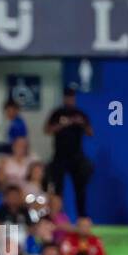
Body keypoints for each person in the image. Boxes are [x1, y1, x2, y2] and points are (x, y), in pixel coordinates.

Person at [44, 85, 94, 217]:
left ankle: (82, 217)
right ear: (64, 98)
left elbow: (90, 132)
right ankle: (58, 216)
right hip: (60, 156)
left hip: (76, 157)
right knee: (58, 189)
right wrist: (63, 124)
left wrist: (81, 123)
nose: (70, 100)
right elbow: (47, 130)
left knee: (80, 189)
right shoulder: (57, 113)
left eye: (72, 97)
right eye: (67, 97)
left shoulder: (80, 114)